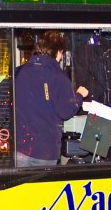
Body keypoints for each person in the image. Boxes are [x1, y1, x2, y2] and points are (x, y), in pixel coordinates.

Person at [14, 31, 88, 167]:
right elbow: (66, 111)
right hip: (45, 149)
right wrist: (79, 96)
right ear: (58, 51)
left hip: (20, 147)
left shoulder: (19, 72)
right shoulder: (57, 76)